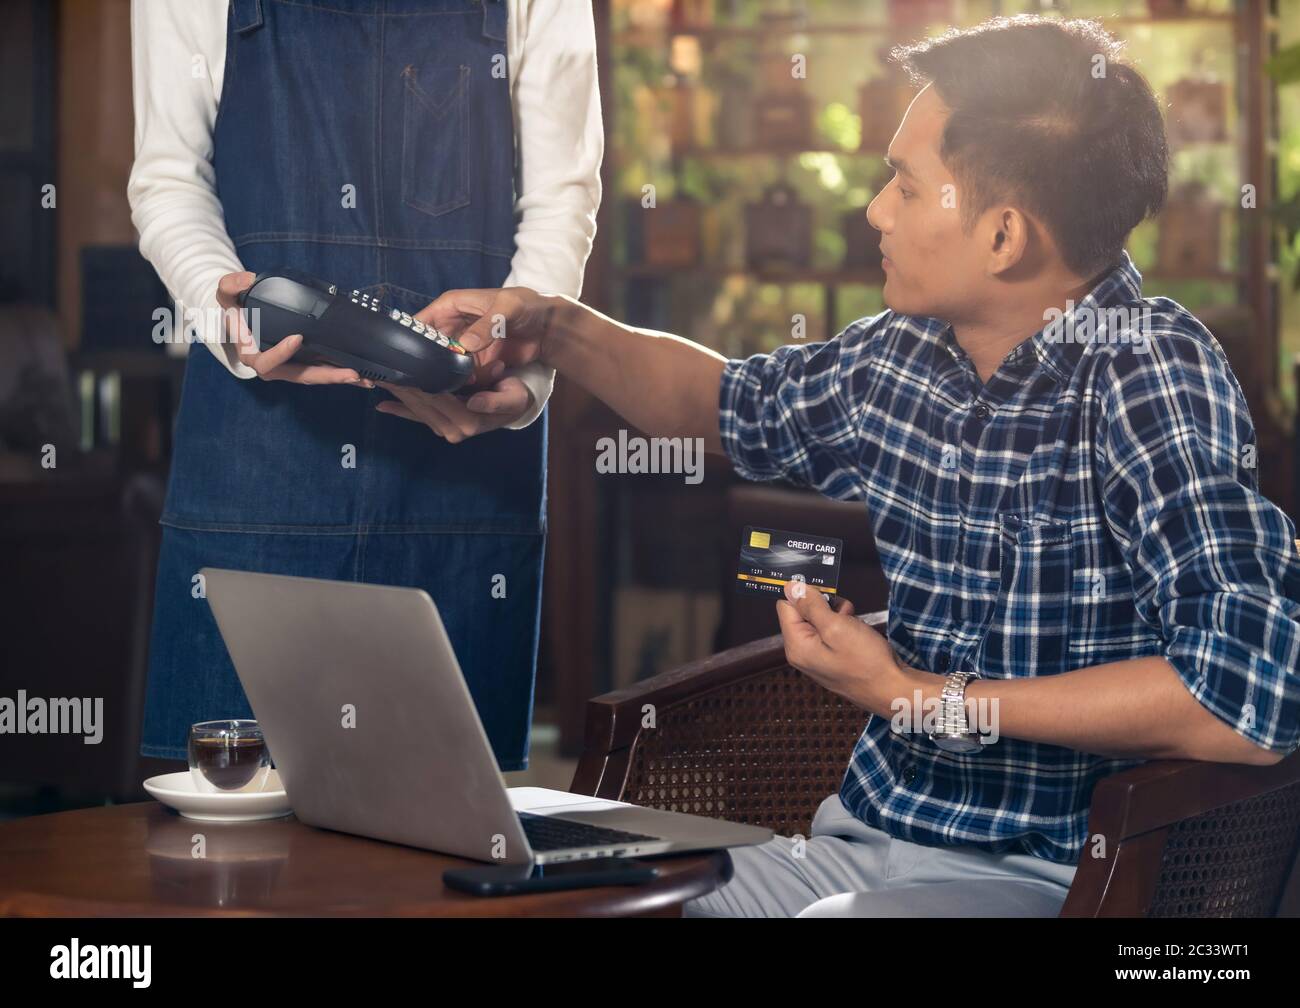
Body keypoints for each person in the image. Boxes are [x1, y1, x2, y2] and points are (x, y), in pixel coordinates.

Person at [386, 16, 1300, 916]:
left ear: (1003, 237)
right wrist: (552, 325)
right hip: (847, 852)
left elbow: (1244, 698)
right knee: (527, 868)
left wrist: (917, 696)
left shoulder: (1149, 374)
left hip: (1053, 882)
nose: (875, 210)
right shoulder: (903, 354)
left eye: (906, 184)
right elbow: (720, 404)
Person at [127, 0, 602, 771]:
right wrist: (230, 312)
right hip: (257, 458)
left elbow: (563, 197)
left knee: (441, 847)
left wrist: (525, 365)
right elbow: (167, 180)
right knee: (225, 848)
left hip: (464, 465)